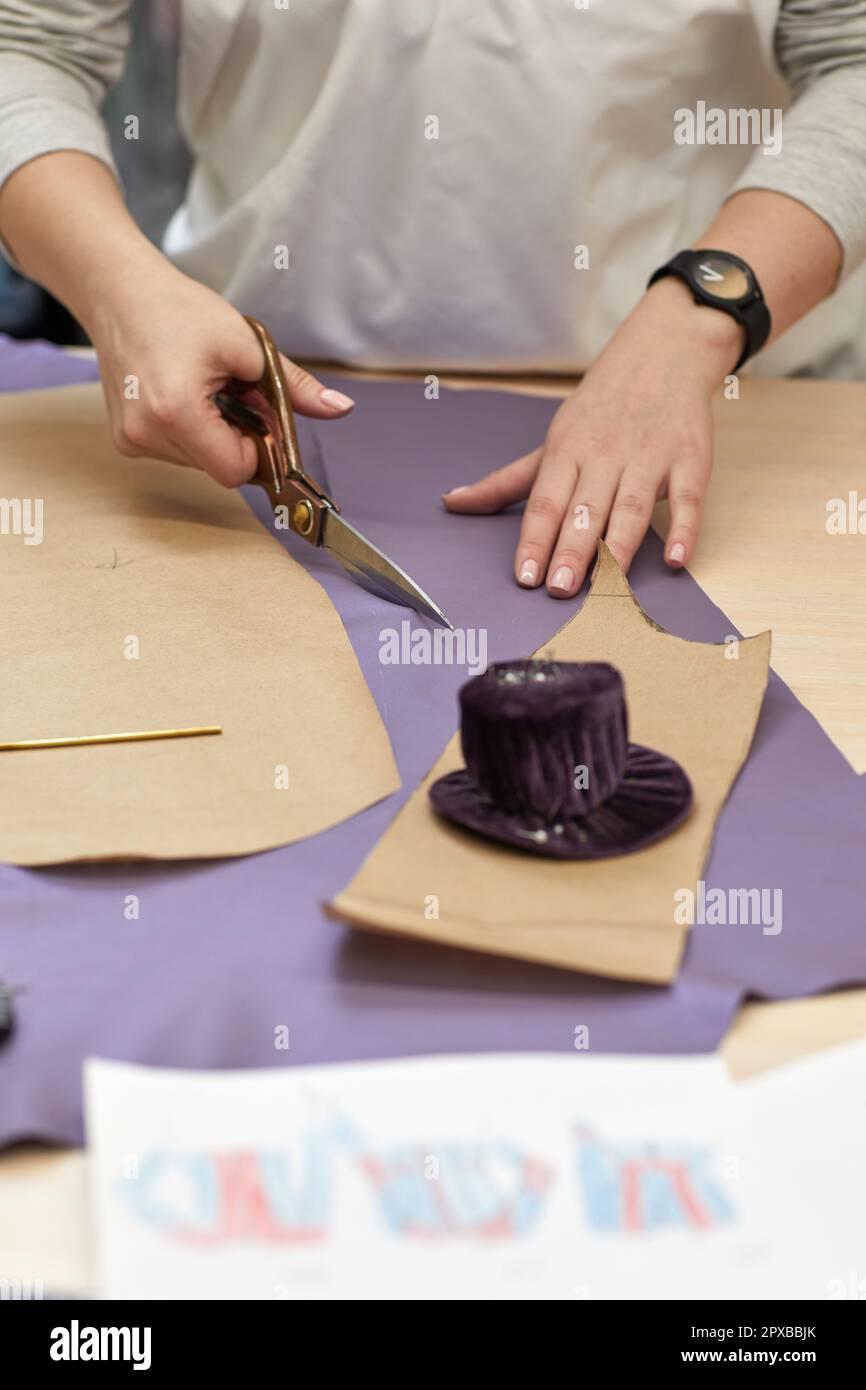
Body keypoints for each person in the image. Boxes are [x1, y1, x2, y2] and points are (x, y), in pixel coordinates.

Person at [0, 0, 864, 599]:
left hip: (724, 398)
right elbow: (25, 44)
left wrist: (698, 322)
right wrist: (117, 291)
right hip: (247, 409)